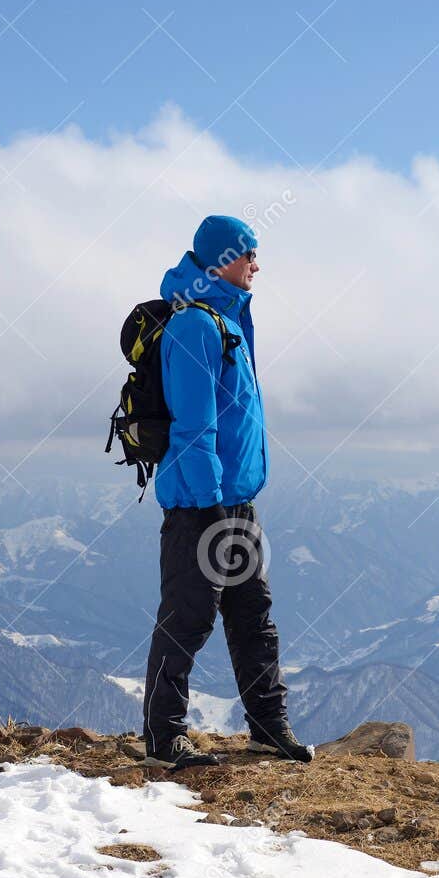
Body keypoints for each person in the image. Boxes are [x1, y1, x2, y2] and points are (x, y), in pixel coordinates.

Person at [141, 214, 314, 769]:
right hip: (200, 503)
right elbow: (195, 429)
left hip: (234, 500)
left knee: (252, 614)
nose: (257, 265)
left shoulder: (229, 319)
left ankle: (267, 729)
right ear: (221, 260)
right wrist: (214, 507)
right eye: (249, 255)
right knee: (188, 618)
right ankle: (165, 741)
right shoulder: (195, 326)